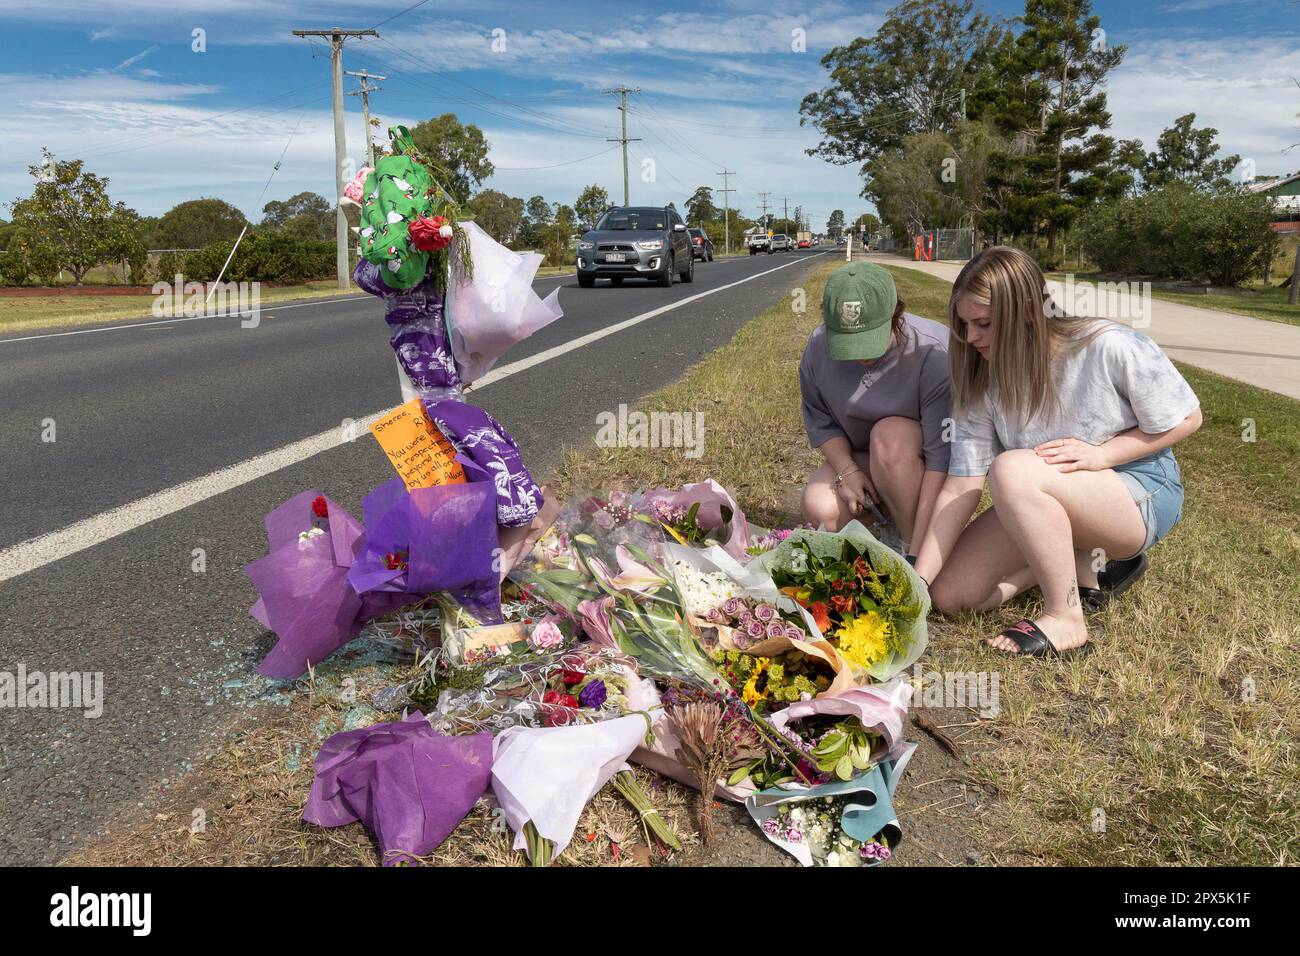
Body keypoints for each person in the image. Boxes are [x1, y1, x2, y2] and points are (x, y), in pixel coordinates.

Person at [913, 246, 1202, 657]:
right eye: (965, 324)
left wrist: (1104, 455)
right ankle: (1076, 564)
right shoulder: (984, 380)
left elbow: (1187, 418)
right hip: (1049, 494)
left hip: (1138, 494)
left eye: (984, 323)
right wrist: (918, 583)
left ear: (1029, 311)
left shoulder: (1108, 345)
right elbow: (961, 487)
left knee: (1012, 470)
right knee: (953, 595)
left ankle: (1065, 619)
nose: (971, 337)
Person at [800, 262, 952, 561]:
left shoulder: (934, 353)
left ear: (896, 316)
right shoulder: (816, 348)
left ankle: (908, 544)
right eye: (848, 342)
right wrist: (847, 471)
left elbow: (941, 459)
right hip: (863, 458)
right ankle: (884, 522)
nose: (861, 355)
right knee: (819, 509)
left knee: (888, 437)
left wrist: (919, 556)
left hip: (916, 461)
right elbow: (822, 422)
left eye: (870, 338)